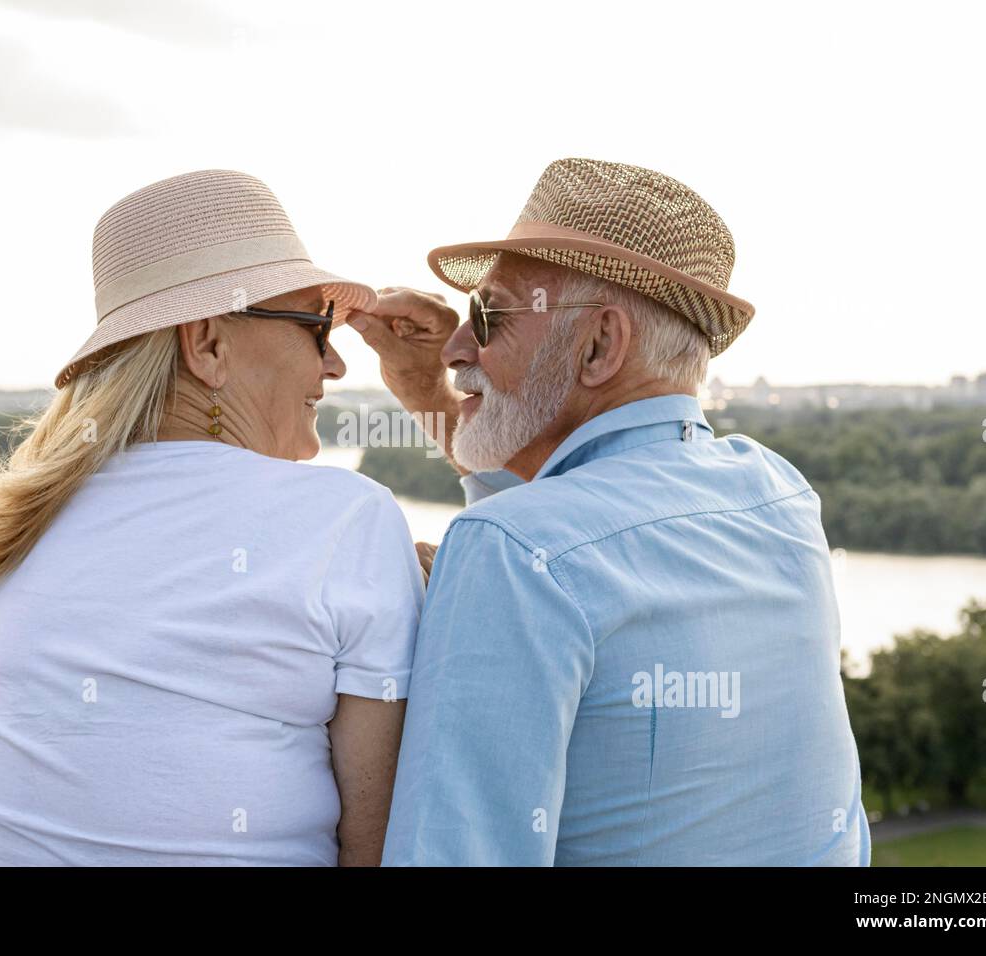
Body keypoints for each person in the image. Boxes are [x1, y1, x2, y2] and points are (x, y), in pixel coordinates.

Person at [349, 158, 870, 865]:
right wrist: (427, 393)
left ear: (599, 344)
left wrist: (485, 587)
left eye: (490, 316)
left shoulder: (513, 552)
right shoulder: (778, 494)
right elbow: (588, 520)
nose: (455, 346)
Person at [0, 169, 424, 866]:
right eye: (316, 325)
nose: (335, 362)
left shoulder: (25, 516)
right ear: (209, 344)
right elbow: (377, 850)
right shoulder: (345, 519)